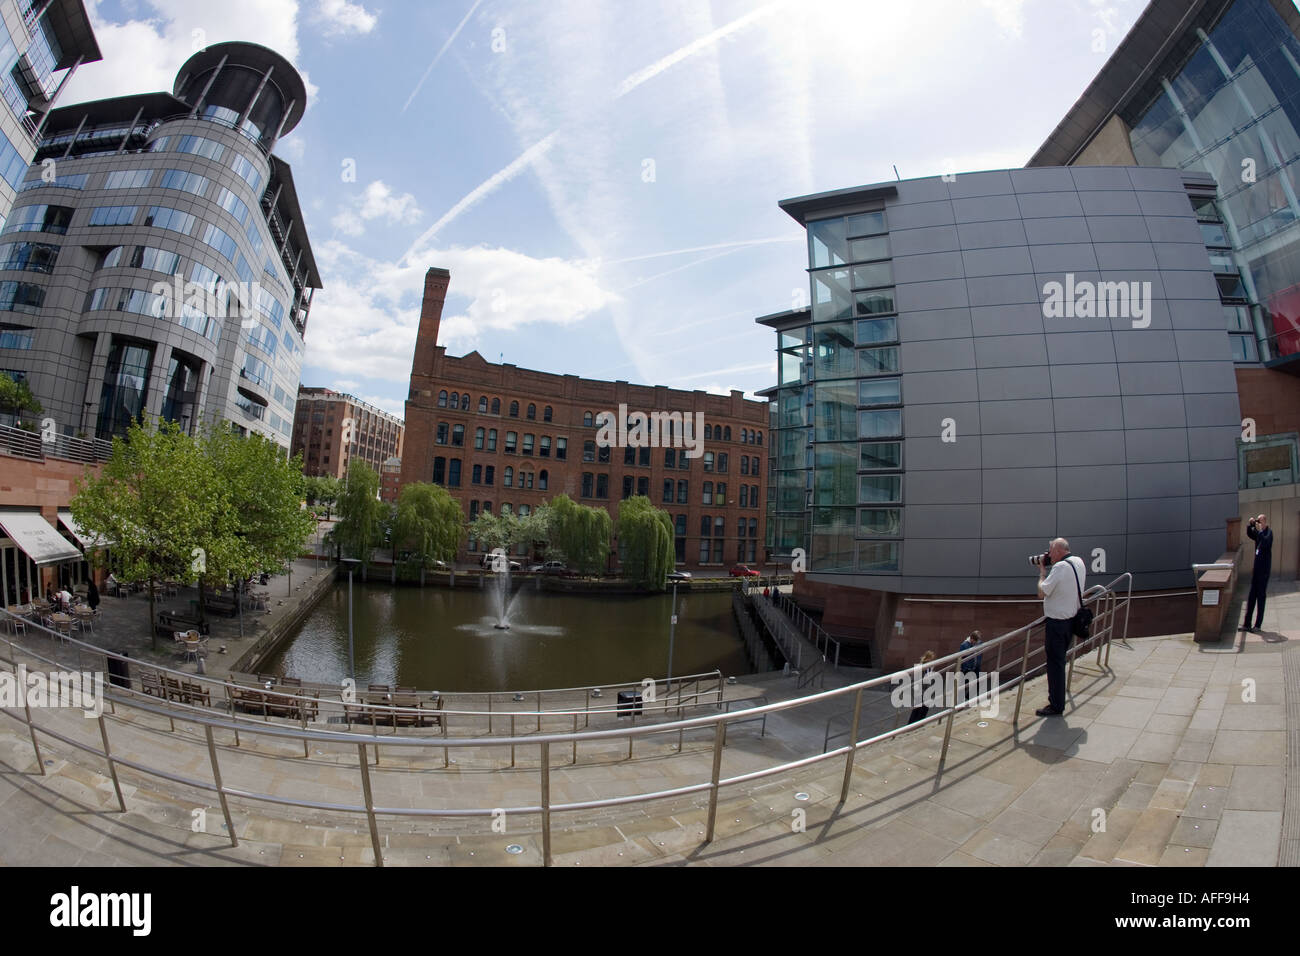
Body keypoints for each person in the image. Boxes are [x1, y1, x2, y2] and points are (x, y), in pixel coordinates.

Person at [1035, 537, 1086, 717]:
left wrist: (1042, 572)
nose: (1048, 554)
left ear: (1058, 551)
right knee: (1060, 662)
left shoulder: (1060, 567)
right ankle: (1058, 700)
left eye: (1050, 550)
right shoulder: (1078, 562)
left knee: (1055, 665)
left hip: (1057, 624)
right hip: (1071, 621)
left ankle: (1056, 705)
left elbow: (1042, 592)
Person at [1242, 514, 1272, 633]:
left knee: (1261, 597)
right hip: (1256, 571)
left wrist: (1260, 530)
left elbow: (1265, 543)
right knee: (1251, 597)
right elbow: (1250, 534)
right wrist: (1250, 525)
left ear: (1265, 521)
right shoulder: (1259, 533)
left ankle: (1258, 625)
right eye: (1258, 520)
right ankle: (1247, 624)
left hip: (1264, 572)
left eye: (1260, 520)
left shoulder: (1269, 533)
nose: (1259, 522)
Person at [907, 650, 937, 724]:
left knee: (922, 709)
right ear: (928, 658)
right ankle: (912, 725)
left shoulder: (930, 667)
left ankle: (916, 724)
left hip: (926, 691)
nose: (933, 661)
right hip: (921, 691)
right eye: (932, 659)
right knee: (918, 709)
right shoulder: (921, 666)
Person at [959, 630, 983, 700]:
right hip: (967, 669)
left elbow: (981, 653)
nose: (976, 643)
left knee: (978, 682)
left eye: (977, 641)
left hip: (976, 667)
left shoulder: (979, 643)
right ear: (971, 638)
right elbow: (960, 658)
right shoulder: (964, 645)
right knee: (963, 686)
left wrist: (979, 662)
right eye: (975, 641)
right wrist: (964, 668)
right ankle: (960, 702)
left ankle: (968, 697)